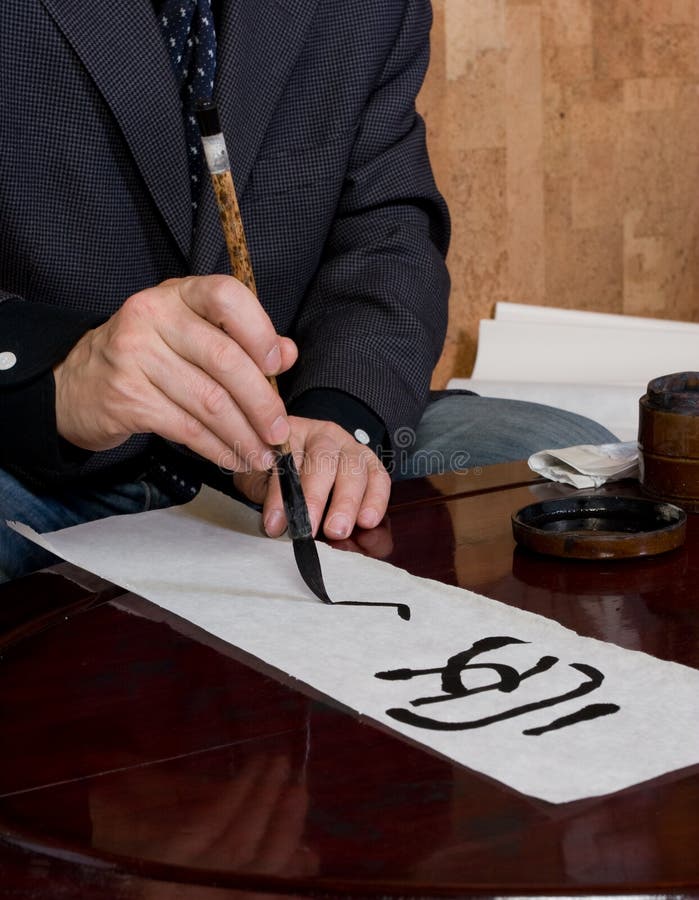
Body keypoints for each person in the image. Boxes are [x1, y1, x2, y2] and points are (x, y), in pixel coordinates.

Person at [0, 0, 615, 584]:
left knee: (568, 466)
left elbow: (387, 229)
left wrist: (340, 417)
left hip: (288, 430)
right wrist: (59, 376)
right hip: (39, 456)